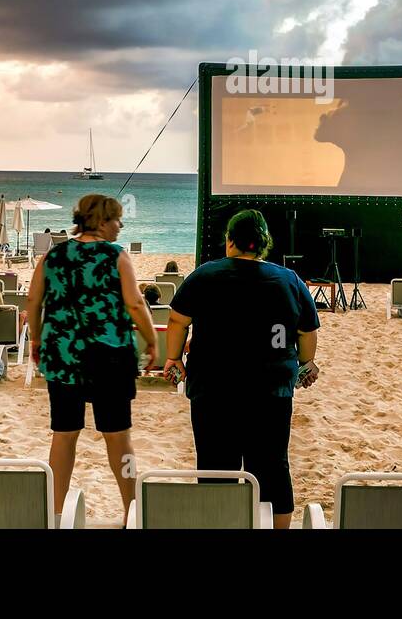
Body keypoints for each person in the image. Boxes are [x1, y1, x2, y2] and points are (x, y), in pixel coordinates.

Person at [163, 209, 319, 530]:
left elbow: (178, 320)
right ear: (263, 244)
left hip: (212, 392)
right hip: (271, 392)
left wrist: (174, 358)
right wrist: (306, 363)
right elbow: (306, 331)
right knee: (273, 468)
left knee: (216, 470)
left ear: (230, 241)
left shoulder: (204, 275)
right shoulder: (289, 280)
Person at [27, 194, 157, 517]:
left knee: (64, 434)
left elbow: (33, 301)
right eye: (116, 219)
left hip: (63, 355)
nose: (121, 225)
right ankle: (132, 510)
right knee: (118, 438)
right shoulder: (116, 256)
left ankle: (55, 514)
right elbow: (135, 303)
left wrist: (35, 338)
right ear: (100, 221)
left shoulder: (52, 257)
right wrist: (151, 338)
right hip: (109, 357)